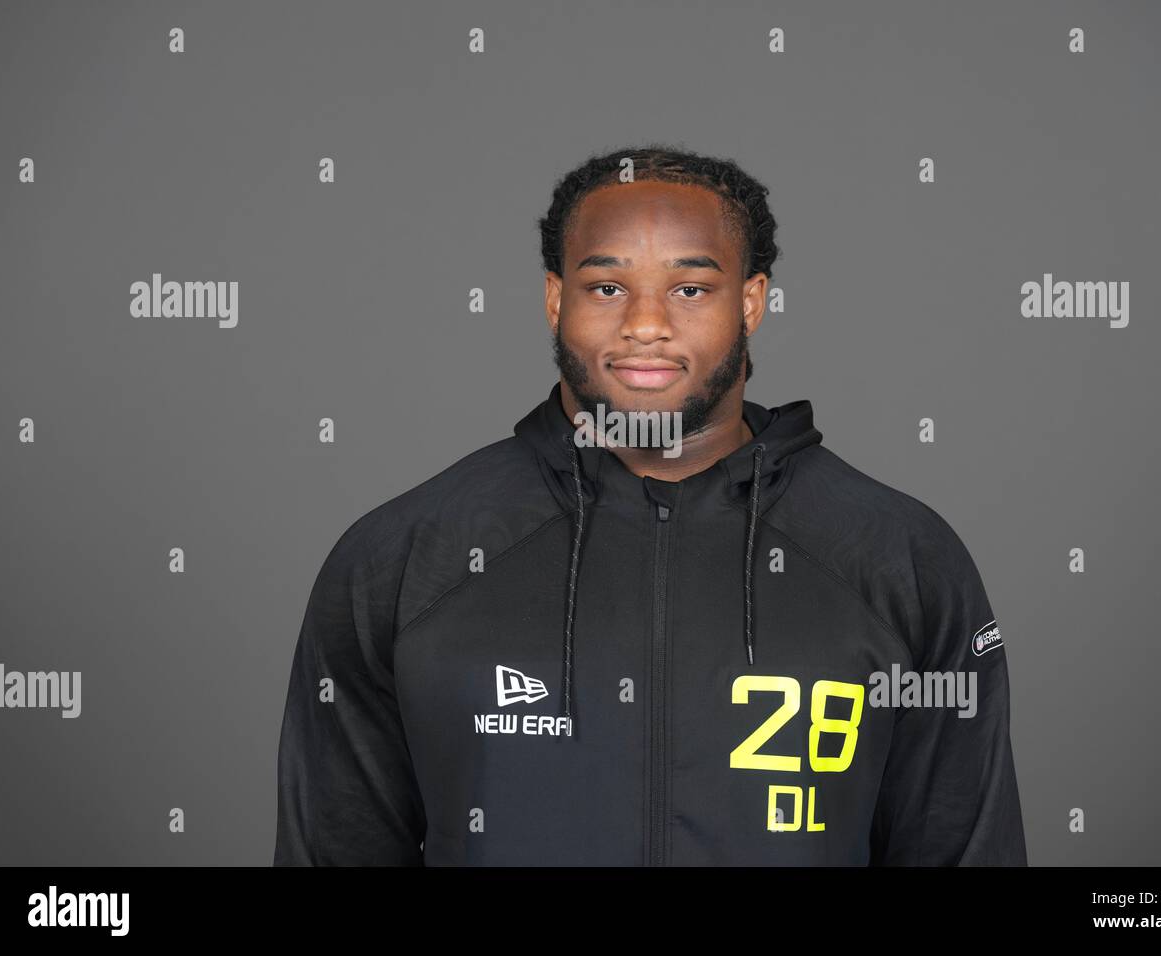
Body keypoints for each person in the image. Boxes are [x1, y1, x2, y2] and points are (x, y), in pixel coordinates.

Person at [273, 143, 1027, 866]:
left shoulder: (900, 559)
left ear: (752, 301)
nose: (644, 323)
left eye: (690, 288)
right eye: (607, 287)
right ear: (553, 298)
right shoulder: (401, 560)